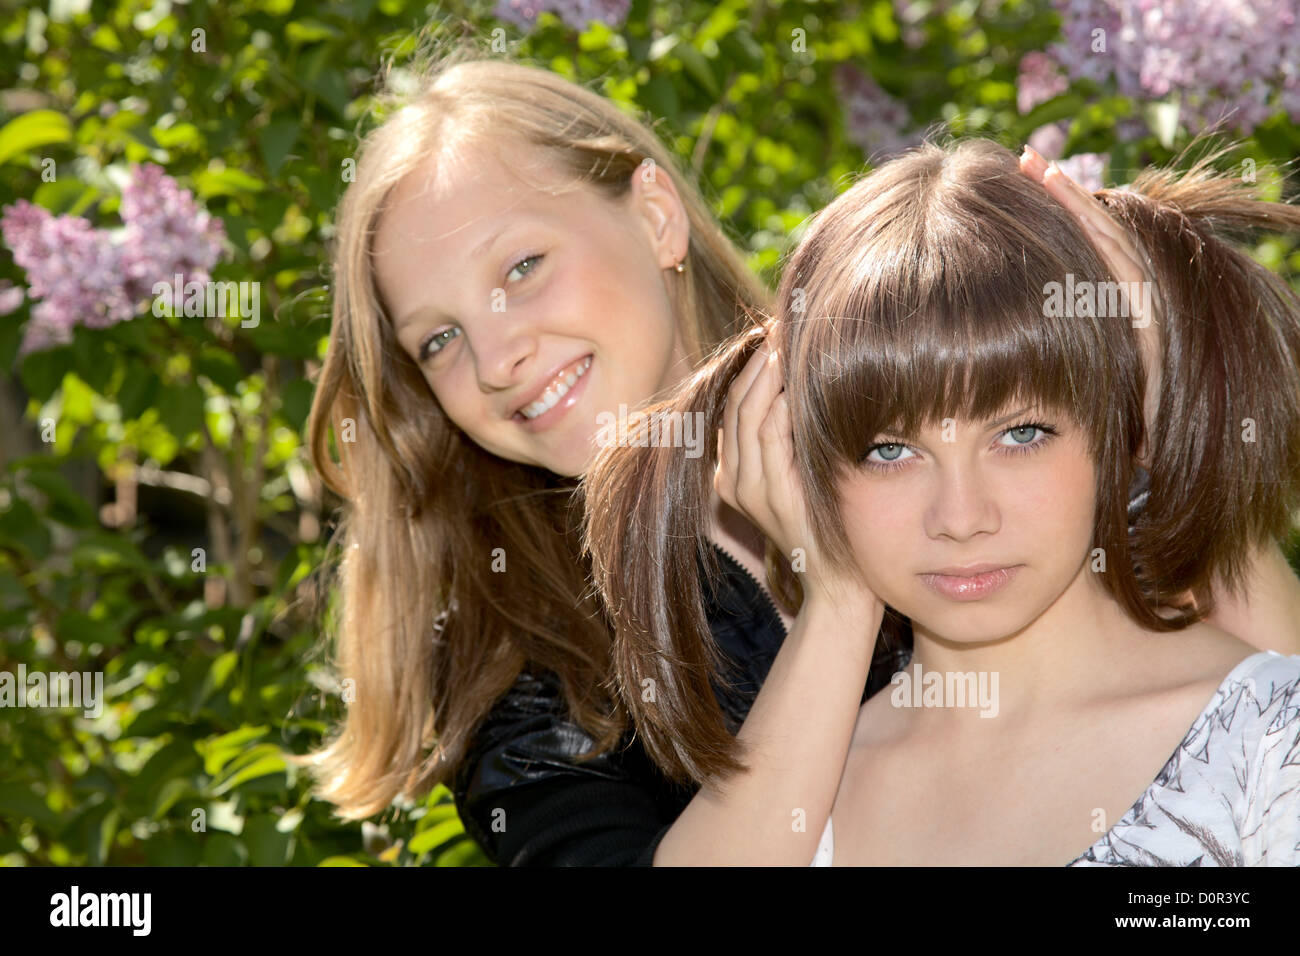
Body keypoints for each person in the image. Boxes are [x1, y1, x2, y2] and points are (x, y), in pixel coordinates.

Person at [298, 38, 1300, 865]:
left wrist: (1167, 411)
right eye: (438, 338)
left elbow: (1261, 697)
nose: (499, 352)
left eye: (521, 265)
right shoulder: (530, 687)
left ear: (654, 214)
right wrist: (838, 598)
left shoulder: (911, 367)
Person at [583, 137, 1300, 865]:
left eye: (1022, 434)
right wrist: (837, 590)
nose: (961, 518)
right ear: (803, 467)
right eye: (890, 452)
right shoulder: (797, 804)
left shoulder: (1270, 744)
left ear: (1128, 422)